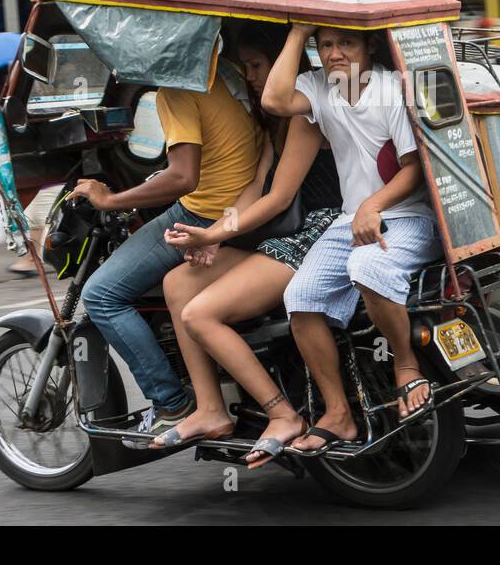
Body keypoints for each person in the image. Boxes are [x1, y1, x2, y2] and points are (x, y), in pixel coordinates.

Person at [151, 27, 343, 465]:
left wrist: (213, 235)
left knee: (201, 313)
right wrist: (216, 235)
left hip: (316, 235)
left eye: (257, 66)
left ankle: (283, 416)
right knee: (179, 282)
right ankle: (211, 409)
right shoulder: (271, 120)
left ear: (282, 63)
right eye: (248, 68)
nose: (251, 77)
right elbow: (256, 187)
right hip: (279, 235)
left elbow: (279, 196)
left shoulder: (305, 112)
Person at [261, 24, 441, 454]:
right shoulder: (318, 88)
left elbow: (414, 167)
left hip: (409, 217)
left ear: (369, 46)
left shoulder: (389, 90)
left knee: (366, 266)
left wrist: (372, 206)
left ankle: (406, 364)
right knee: (300, 296)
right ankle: (338, 414)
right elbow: (274, 100)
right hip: (350, 222)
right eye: (325, 45)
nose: (336, 53)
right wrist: (297, 32)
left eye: (346, 43)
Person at [69, 60, 260, 445]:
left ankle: (171, 403)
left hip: (202, 214)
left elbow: (183, 177)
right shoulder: (221, 70)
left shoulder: (175, 90)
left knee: (101, 294)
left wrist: (110, 199)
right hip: (237, 206)